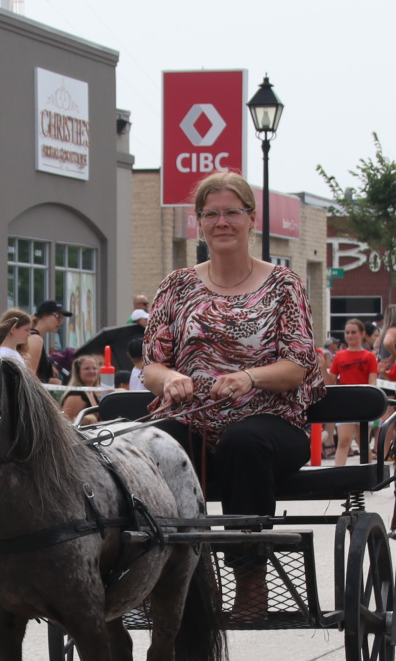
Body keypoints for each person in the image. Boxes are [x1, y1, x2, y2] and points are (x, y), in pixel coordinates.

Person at [140, 171, 324, 620]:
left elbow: (298, 366)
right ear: (199, 222)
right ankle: (162, 573)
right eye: (212, 214)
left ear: (250, 219)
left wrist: (249, 377)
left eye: (232, 213)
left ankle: (249, 579)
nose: (222, 222)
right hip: (194, 417)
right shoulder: (177, 285)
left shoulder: (283, 285)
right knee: (151, 447)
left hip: (270, 421)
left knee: (245, 442)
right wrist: (168, 380)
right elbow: (151, 365)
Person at [327, 318, 379, 465]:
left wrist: (371, 401)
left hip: (363, 401)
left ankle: (368, 475)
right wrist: (322, 367)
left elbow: (372, 380)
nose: (350, 335)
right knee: (344, 440)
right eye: (347, 332)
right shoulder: (339, 356)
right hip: (345, 402)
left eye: (354, 332)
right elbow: (330, 381)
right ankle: (338, 476)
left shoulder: (370, 356)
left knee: (362, 441)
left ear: (362, 334)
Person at [29, 299, 72, 384]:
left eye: (62, 319)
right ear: (45, 315)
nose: (60, 322)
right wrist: (50, 382)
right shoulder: (35, 338)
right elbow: (29, 375)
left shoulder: (36, 337)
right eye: (58, 317)